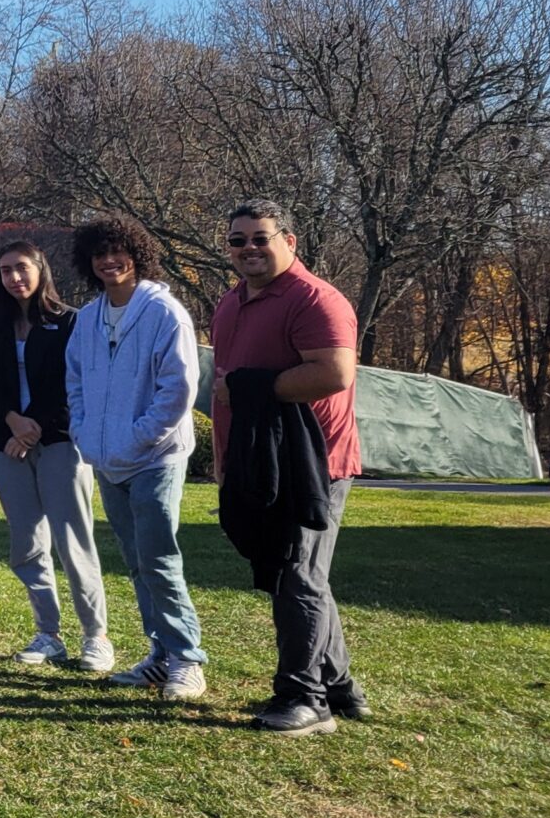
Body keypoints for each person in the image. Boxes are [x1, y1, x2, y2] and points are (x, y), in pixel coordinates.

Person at [209, 200, 362, 736]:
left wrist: (253, 387)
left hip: (311, 463)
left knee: (296, 573)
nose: (248, 248)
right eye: (238, 240)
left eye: (260, 238)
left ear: (289, 241)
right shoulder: (231, 303)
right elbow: (223, 388)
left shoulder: (315, 299)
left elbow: (334, 373)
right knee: (298, 572)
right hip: (258, 459)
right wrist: (226, 460)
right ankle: (341, 686)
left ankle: (305, 697)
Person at [68, 214, 208, 705]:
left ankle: (187, 658)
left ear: (138, 254)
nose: (109, 261)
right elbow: (77, 382)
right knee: (136, 561)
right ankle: (162, 654)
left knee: (159, 559)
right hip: (107, 461)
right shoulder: (87, 318)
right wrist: (86, 435)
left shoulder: (165, 312)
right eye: (99, 254)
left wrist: (137, 438)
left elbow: (178, 389)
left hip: (156, 458)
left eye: (118, 251)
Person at [0, 241, 110, 671]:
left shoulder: (69, 322)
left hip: (58, 443)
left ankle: (96, 636)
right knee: (28, 544)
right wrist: (12, 421)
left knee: (74, 541)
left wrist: (32, 427)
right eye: (5, 270)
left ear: (40, 269)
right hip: (7, 446)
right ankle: (48, 633)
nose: (14, 277)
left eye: (21, 268)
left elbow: (76, 384)